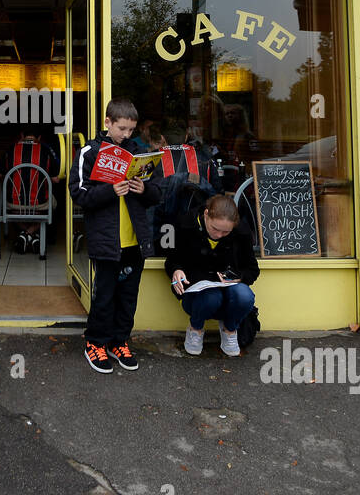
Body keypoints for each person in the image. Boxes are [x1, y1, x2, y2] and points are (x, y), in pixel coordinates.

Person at [71, 97, 161, 373]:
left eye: (131, 130)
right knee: (105, 294)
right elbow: (78, 194)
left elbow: (158, 193)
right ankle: (95, 343)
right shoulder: (89, 151)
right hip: (106, 239)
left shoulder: (138, 151)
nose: (126, 135)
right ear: (107, 122)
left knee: (128, 295)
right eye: (121, 128)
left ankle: (119, 340)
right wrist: (111, 191)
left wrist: (144, 190)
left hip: (134, 239)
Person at [164, 194, 260, 357]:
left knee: (245, 295)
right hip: (197, 296)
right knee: (211, 297)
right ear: (206, 214)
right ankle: (196, 328)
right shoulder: (185, 224)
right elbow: (171, 259)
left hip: (229, 293)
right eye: (215, 229)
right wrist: (176, 270)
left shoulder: (241, 232)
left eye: (226, 232)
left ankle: (229, 329)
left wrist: (239, 276)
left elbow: (252, 269)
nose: (219, 235)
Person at [0, 126, 59, 254]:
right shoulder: (45, 151)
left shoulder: (11, 149)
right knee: (55, 204)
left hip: (14, 203)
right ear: (39, 138)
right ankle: (32, 234)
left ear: (22, 136)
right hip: (40, 204)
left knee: (11, 207)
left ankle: (24, 234)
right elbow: (56, 179)